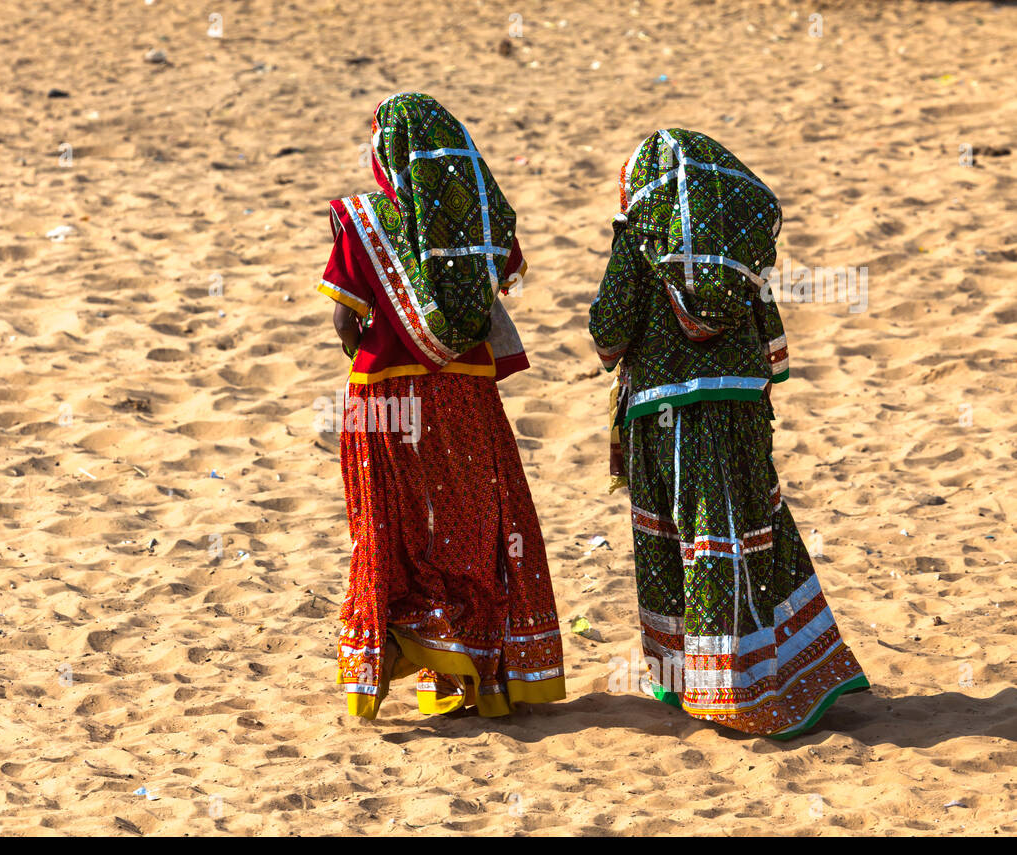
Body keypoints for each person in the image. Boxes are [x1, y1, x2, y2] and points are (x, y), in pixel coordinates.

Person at [589, 129, 869, 738]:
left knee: (685, 537)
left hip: (669, 417)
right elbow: (770, 337)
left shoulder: (642, 232)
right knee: (745, 528)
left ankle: (715, 686)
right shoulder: (738, 245)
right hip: (742, 408)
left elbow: (607, 330)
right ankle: (788, 669)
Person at [316, 92, 565, 720]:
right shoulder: (481, 228)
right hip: (467, 397)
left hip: (385, 398)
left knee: (394, 530)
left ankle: (388, 670)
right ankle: (476, 675)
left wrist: (369, 351)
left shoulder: (364, 221)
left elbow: (346, 321)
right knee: (472, 526)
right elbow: (492, 291)